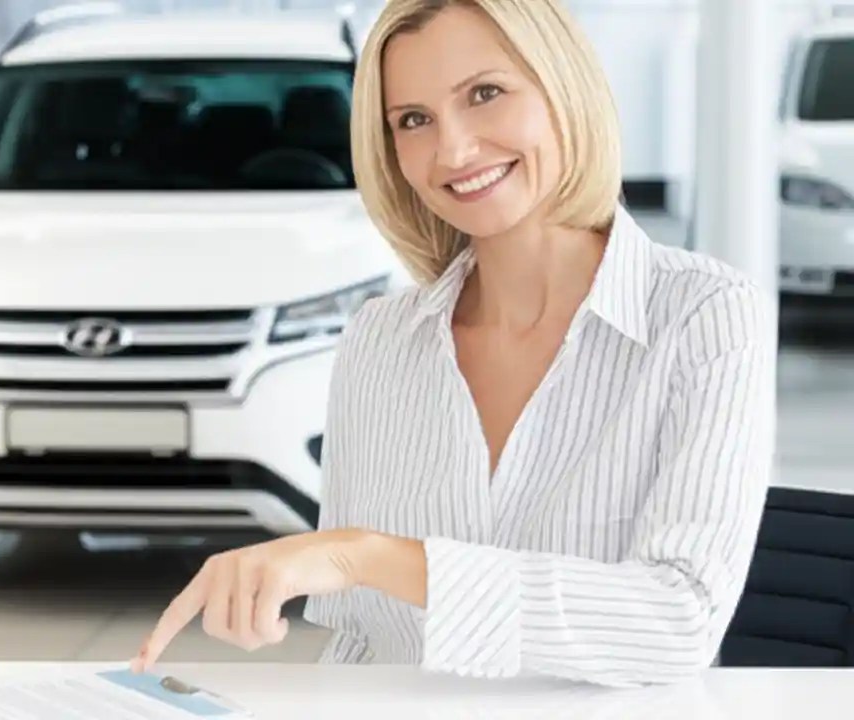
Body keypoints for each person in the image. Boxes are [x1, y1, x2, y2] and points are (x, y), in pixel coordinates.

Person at [132, 0, 773, 688]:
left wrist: (367, 555)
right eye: (414, 120)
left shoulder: (705, 316)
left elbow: (676, 622)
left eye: (485, 94)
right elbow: (361, 638)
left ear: (563, 87)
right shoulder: (380, 339)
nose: (454, 150)